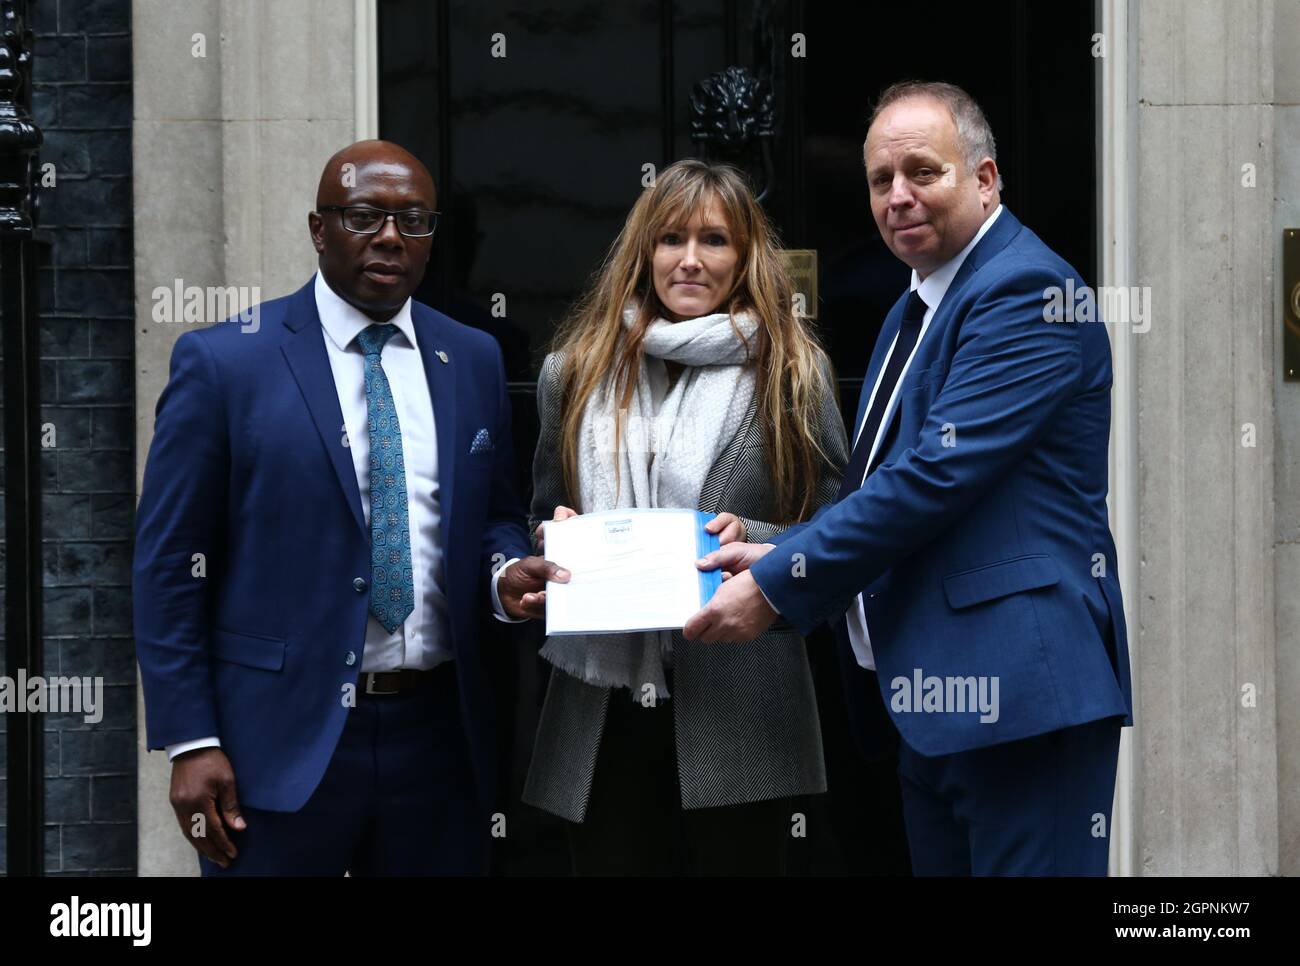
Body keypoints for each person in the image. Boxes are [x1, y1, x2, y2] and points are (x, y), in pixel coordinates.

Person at [686, 82, 1133, 876]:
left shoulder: (1028, 292)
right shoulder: (913, 306)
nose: (898, 197)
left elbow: (933, 480)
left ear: (987, 179)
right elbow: (884, 492)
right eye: (879, 181)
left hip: (1021, 698)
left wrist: (782, 581)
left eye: (924, 172)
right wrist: (781, 548)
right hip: (930, 707)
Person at [133, 140, 564, 875]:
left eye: (414, 221)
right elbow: (169, 564)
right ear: (318, 228)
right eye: (365, 216)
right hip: (274, 745)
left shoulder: (474, 357)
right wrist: (190, 739)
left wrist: (501, 578)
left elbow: (493, 514)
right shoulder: (226, 361)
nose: (391, 237)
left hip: (439, 738)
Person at [520, 159, 848, 875]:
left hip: (744, 707)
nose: (691, 259)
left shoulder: (793, 371)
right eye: (670, 239)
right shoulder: (573, 370)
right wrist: (554, 535)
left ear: (746, 256)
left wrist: (756, 539)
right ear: (644, 251)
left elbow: (843, 528)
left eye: (715, 240)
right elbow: (540, 513)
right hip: (601, 710)